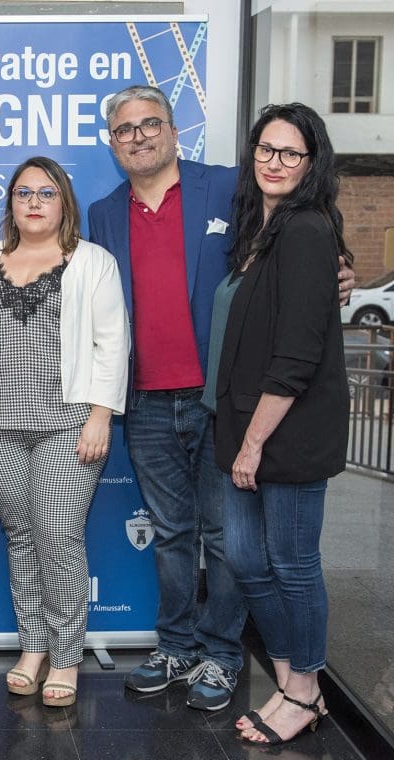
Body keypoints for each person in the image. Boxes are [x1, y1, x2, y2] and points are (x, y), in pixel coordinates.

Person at [89, 85, 355, 712]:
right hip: (147, 400)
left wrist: (341, 270)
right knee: (172, 533)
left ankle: (222, 653)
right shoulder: (102, 212)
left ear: (175, 131)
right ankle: (176, 644)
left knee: (226, 537)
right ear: (112, 142)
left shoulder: (231, 185)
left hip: (224, 402)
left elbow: (299, 240)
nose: (138, 137)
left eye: (150, 124)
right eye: (124, 130)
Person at [0, 157, 129, 706]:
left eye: (46, 193)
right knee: (23, 536)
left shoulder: (92, 262)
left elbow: (112, 342)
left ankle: (67, 654)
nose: (34, 201)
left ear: (64, 204)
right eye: (24, 192)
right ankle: (32, 646)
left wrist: (101, 415)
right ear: (10, 202)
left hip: (69, 425)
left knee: (58, 533)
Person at [210, 103, 349, 745]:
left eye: (291, 153)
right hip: (244, 431)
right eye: (267, 149)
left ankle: (303, 691)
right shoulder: (260, 230)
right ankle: (296, 679)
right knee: (245, 559)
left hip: (283, 437)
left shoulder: (306, 231)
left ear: (312, 163)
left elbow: (295, 356)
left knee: (292, 564)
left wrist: (253, 444)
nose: (275, 162)